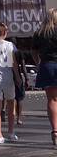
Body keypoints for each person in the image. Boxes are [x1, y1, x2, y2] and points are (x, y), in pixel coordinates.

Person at [30, 8, 57, 147]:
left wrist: (39, 63)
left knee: (52, 100)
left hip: (47, 65)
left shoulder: (39, 33)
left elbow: (33, 51)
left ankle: (55, 131)